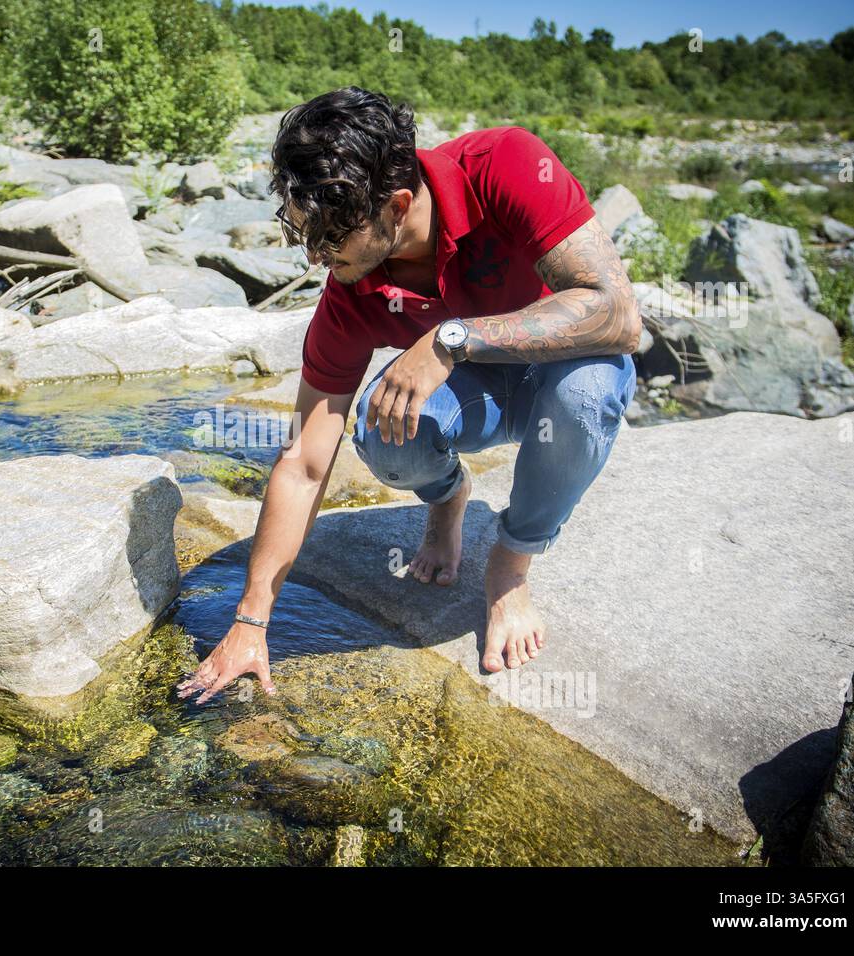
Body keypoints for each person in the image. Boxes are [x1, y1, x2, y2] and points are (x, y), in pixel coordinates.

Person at [177, 87, 641, 704]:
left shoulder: (506, 163)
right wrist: (250, 622)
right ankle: (448, 499)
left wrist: (450, 340)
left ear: (397, 206)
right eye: (307, 234)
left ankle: (510, 562)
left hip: (559, 374)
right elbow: (305, 462)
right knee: (379, 425)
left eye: (332, 238)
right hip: (477, 400)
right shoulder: (349, 292)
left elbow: (618, 315)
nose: (318, 257)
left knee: (587, 392)